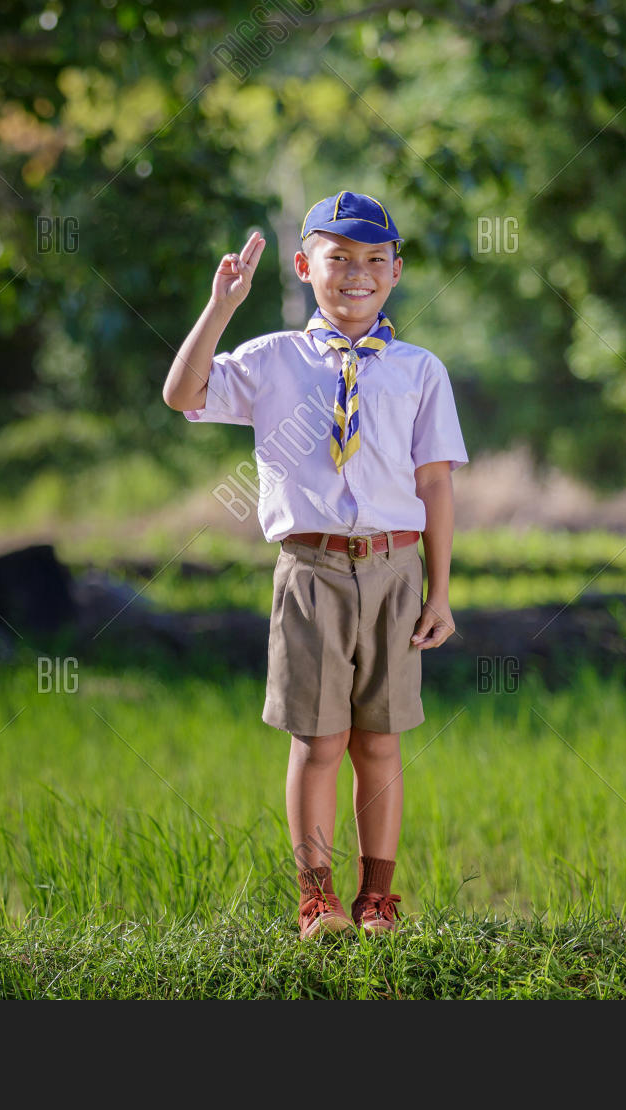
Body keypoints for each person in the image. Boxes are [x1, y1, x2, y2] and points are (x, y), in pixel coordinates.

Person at [161, 191, 469, 939]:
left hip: (396, 571)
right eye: (338, 259)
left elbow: (434, 484)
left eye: (372, 260)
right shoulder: (273, 359)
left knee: (382, 741)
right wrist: (222, 307)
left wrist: (442, 592)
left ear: (395, 271)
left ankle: (378, 901)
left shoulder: (419, 369)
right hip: (310, 570)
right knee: (319, 740)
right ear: (305, 268)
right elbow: (182, 393)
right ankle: (317, 897)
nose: (355, 274)